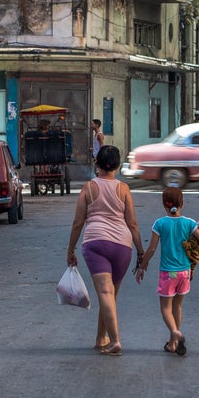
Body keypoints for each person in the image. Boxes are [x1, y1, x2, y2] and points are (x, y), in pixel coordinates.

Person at [66, 145, 145, 356]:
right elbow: (133, 224)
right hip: (122, 247)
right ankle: (102, 338)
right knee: (110, 295)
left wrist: (70, 249)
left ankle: (115, 341)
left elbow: (77, 223)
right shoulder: (124, 189)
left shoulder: (88, 188)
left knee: (104, 293)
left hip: (96, 243)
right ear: (117, 166)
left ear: (96, 164)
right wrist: (140, 251)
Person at [135, 186, 199, 356]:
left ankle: (176, 334)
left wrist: (142, 266)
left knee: (165, 309)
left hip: (168, 273)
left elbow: (152, 249)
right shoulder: (189, 223)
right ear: (182, 203)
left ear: (164, 204)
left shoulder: (159, 224)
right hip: (184, 273)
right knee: (178, 307)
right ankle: (172, 344)